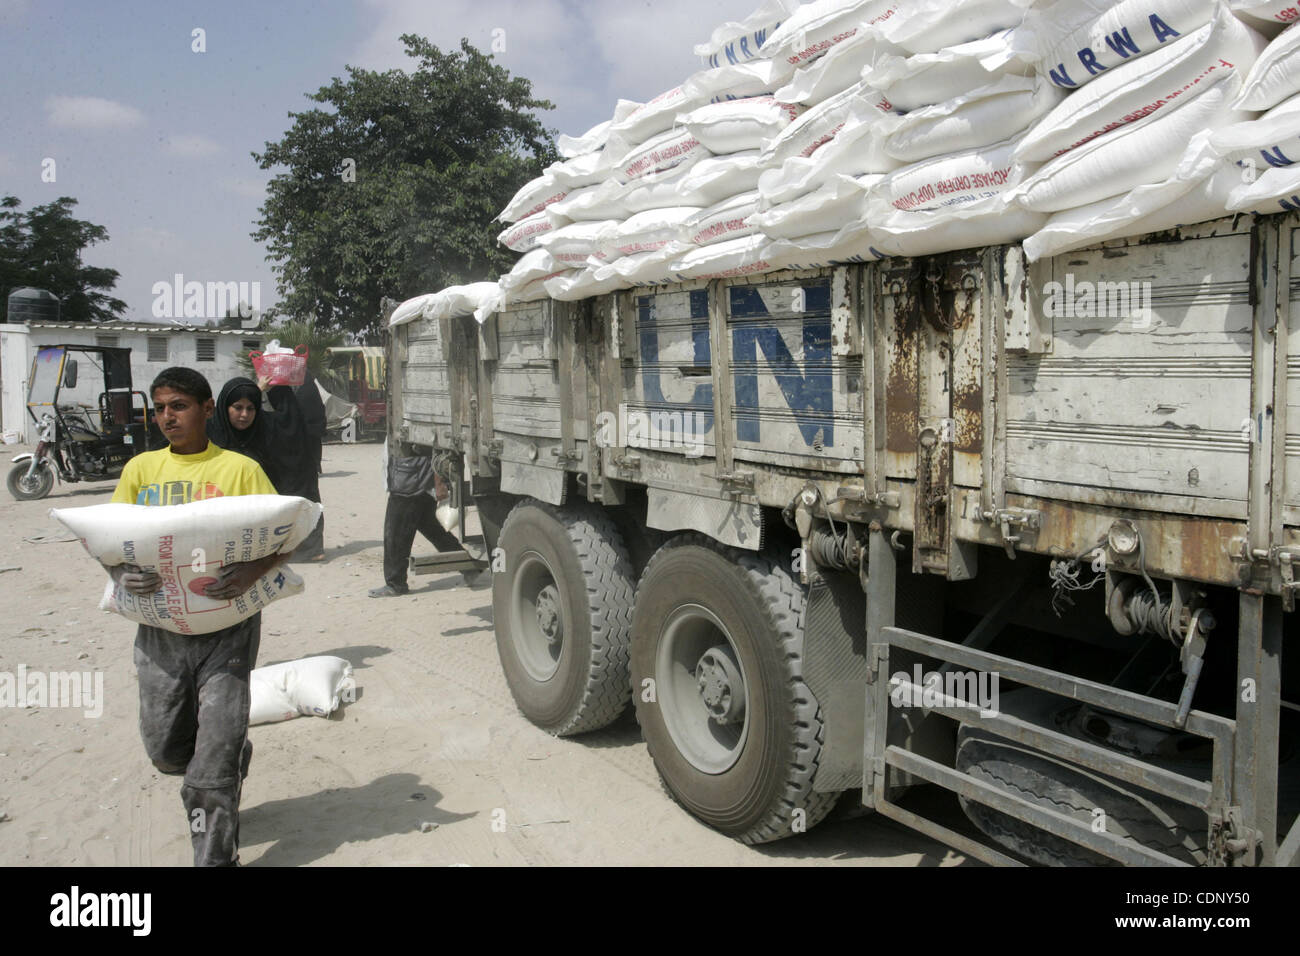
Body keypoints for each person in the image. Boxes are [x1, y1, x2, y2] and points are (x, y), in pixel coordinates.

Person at [108, 366, 284, 867]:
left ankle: (215, 853)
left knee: (209, 770)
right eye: (160, 408)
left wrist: (253, 569)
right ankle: (231, 755)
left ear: (207, 409)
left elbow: (285, 535)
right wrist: (119, 572)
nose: (167, 417)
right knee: (166, 750)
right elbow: (110, 540)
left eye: (179, 406)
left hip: (227, 631)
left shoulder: (240, 471)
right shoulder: (140, 470)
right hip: (160, 633)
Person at [369, 443, 468, 597]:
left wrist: (439, 482)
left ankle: (395, 584)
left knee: (395, 534)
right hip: (413, 479)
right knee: (433, 530)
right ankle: (469, 567)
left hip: (409, 484)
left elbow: (436, 444)